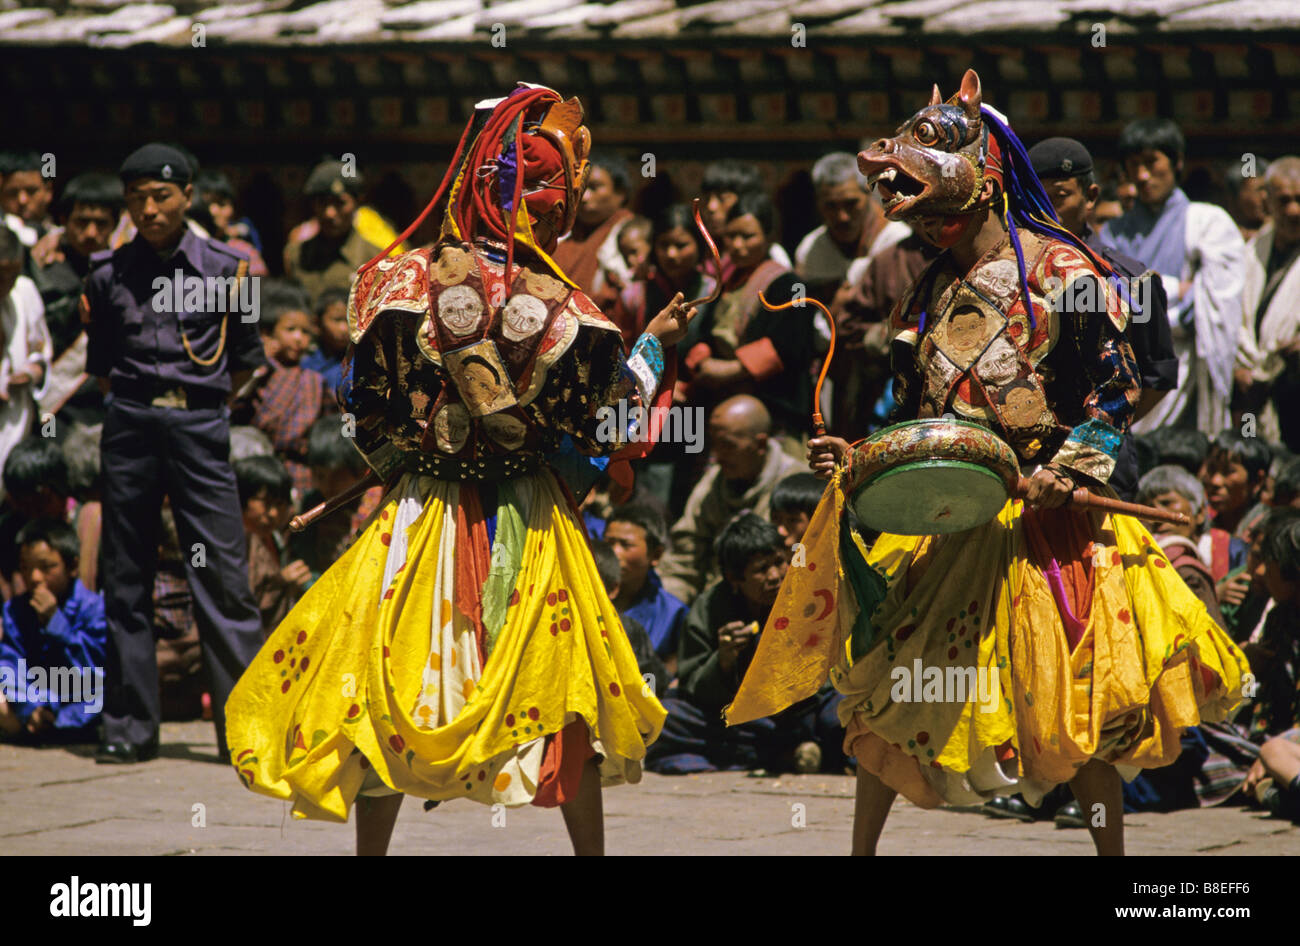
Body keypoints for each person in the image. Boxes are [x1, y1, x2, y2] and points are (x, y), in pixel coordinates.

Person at [729, 70, 1249, 857]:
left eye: (934, 187)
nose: (918, 214)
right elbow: (909, 416)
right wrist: (862, 453)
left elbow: (1119, 386)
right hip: (951, 517)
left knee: (1083, 709)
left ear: (986, 179)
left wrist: (1072, 471)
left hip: (1054, 522)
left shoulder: (1066, 272)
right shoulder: (927, 290)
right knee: (889, 693)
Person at [224, 84, 698, 856]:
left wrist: (414, 461)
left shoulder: (392, 283)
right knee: (564, 694)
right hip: (533, 519)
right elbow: (607, 420)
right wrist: (652, 350)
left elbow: (366, 415)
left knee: (389, 686)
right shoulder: (569, 311)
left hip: (420, 513)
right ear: (549, 202)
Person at [84, 142, 267, 764]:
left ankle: (244, 731)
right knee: (125, 574)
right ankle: (130, 728)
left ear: (187, 196)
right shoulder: (107, 274)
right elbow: (102, 369)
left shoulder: (230, 270)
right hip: (131, 423)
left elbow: (247, 364)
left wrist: (198, 407)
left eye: (161, 196)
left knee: (221, 573)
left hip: (198, 424)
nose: (149, 209)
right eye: (137, 199)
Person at [1028, 137, 1176, 500]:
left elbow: (1156, 375)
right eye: (1034, 195)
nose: (1045, 208)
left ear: (1090, 197)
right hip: (1021, 460)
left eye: (1059, 195)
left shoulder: (1127, 280)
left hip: (1102, 464)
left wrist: (1097, 435)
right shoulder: (1008, 276)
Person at [646, 513, 842, 775]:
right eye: (761, 570)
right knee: (668, 717)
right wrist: (724, 659)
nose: (774, 576)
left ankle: (784, 752)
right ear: (734, 579)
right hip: (744, 720)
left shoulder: (807, 593)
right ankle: (786, 754)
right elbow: (693, 686)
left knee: (842, 711)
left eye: (779, 563)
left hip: (802, 710)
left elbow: (829, 668)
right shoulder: (710, 607)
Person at [1102, 118, 1245, 435]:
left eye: (1152, 162)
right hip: (1129, 375)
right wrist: (1178, 289)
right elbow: (1109, 301)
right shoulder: (1113, 232)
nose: (1142, 176)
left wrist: (1154, 300)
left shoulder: (1207, 222)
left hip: (1186, 376)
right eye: (1134, 165)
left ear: (1177, 162)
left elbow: (1213, 306)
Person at [684, 192, 815, 451]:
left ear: (769, 237)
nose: (738, 245)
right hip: (725, 402)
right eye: (732, 236)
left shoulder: (790, 285)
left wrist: (728, 370)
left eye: (748, 236)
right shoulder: (728, 282)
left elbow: (788, 346)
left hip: (773, 410)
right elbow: (707, 332)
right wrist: (702, 360)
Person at [658, 394, 803, 606]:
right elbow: (685, 558)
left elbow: (806, 558)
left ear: (760, 444)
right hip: (717, 602)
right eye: (714, 444)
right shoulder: (713, 483)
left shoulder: (796, 485)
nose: (718, 455)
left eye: (727, 445)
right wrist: (669, 605)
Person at [30, 173, 122, 429]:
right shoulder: (38, 266)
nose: (91, 233)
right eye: (81, 222)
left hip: (105, 406)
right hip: (54, 408)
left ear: (114, 224)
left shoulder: (126, 273)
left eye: (101, 223)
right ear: (63, 221)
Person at [0, 519, 105, 744]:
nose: (35, 577)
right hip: (34, 698)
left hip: (81, 700)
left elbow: (95, 668)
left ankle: (59, 727)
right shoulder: (16, 610)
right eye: (26, 568)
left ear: (72, 567)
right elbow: (10, 663)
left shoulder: (92, 607)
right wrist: (31, 706)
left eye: (47, 568)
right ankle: (37, 724)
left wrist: (54, 621)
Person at [230, 280, 330, 495]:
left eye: (305, 332)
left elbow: (330, 421)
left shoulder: (313, 380)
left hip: (299, 470)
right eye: (290, 329)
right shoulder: (259, 372)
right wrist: (257, 366)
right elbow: (234, 404)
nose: (298, 338)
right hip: (254, 464)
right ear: (267, 333)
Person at [1235, 157, 1300, 451]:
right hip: (1251, 393)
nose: (1293, 210)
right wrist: (1238, 365)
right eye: (1284, 200)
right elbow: (1228, 320)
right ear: (1268, 201)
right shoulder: (1248, 254)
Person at [794, 152, 910, 306]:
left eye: (851, 204)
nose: (842, 217)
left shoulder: (898, 244)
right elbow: (800, 308)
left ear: (868, 192)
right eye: (831, 206)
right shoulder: (810, 250)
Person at [283, 159, 391, 309]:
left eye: (340, 203)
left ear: (357, 203)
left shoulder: (375, 259)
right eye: (322, 203)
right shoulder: (297, 255)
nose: (330, 213)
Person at [604, 501, 686, 671]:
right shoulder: (582, 597)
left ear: (656, 555)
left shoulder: (673, 613)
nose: (614, 552)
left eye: (625, 545)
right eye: (609, 542)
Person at [549, 150, 634, 311]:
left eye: (595, 188)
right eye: (581, 188)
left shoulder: (630, 233)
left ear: (620, 192)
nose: (585, 197)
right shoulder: (561, 232)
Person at [235, 455, 310, 634]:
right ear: (243, 498)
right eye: (266, 504)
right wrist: (280, 581)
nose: (274, 513)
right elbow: (240, 600)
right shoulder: (235, 541)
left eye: (280, 505)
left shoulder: (275, 539)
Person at [0, 228, 52, 479]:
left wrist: (32, 371)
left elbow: (41, 351)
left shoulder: (23, 292)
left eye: (10, 276)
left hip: (14, 423)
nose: (4, 286)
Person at [588, 536, 668, 699]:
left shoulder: (628, 630)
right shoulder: (555, 625)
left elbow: (650, 681)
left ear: (613, 590)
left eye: (590, 586)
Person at [300, 287, 350, 400]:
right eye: (337, 320)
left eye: (349, 321)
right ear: (316, 324)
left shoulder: (357, 363)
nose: (344, 329)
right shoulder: (305, 361)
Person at [0, 151, 53, 249]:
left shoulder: (64, 240)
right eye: (12, 193)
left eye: (31, 191)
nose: (22, 200)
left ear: (48, 191)